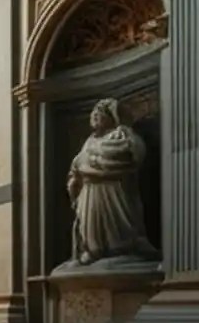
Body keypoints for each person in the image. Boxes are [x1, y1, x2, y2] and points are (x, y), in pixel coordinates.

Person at [65, 98, 158, 266]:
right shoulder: (89, 142)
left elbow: (130, 155)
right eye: (93, 112)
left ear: (112, 117)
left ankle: (120, 249)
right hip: (90, 192)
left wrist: (89, 163)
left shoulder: (122, 134)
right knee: (91, 228)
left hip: (114, 190)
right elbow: (77, 165)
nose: (94, 115)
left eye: (100, 112)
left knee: (117, 230)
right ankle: (93, 250)